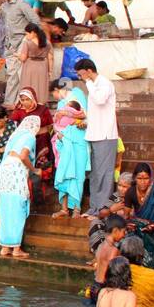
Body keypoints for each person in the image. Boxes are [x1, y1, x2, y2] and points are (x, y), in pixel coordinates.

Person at [76, 58, 118, 215]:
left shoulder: (104, 83)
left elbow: (100, 100)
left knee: (104, 174)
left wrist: (88, 83)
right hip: (94, 134)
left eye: (81, 75)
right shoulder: (94, 86)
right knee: (94, 174)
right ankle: (94, 207)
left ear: (88, 71)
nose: (81, 78)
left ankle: (102, 209)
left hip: (106, 135)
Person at [0, 115, 41, 258]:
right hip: (16, 170)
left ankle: (5, 248)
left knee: (6, 207)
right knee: (18, 208)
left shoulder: (15, 135)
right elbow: (23, 156)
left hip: (5, 170)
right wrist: (34, 170)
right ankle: (16, 249)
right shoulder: (29, 136)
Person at [0, 0, 41, 108]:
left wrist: (31, 39)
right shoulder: (4, 7)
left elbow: (35, 21)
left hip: (22, 42)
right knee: (11, 74)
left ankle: (23, 102)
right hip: (10, 44)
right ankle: (10, 102)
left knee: (21, 74)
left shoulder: (22, 4)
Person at [52, 78, 89, 217]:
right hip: (64, 142)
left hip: (79, 142)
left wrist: (75, 119)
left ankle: (77, 209)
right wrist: (59, 133)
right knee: (64, 173)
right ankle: (64, 208)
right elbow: (56, 124)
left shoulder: (78, 94)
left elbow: (85, 117)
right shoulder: (61, 104)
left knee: (77, 175)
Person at [16, 23, 51, 107]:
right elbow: (50, 57)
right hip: (42, 66)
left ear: (32, 32)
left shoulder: (28, 43)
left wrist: (17, 55)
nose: (26, 36)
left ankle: (28, 105)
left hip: (30, 66)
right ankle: (40, 105)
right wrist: (50, 71)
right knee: (40, 87)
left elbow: (23, 58)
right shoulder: (47, 43)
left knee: (28, 86)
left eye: (27, 33)